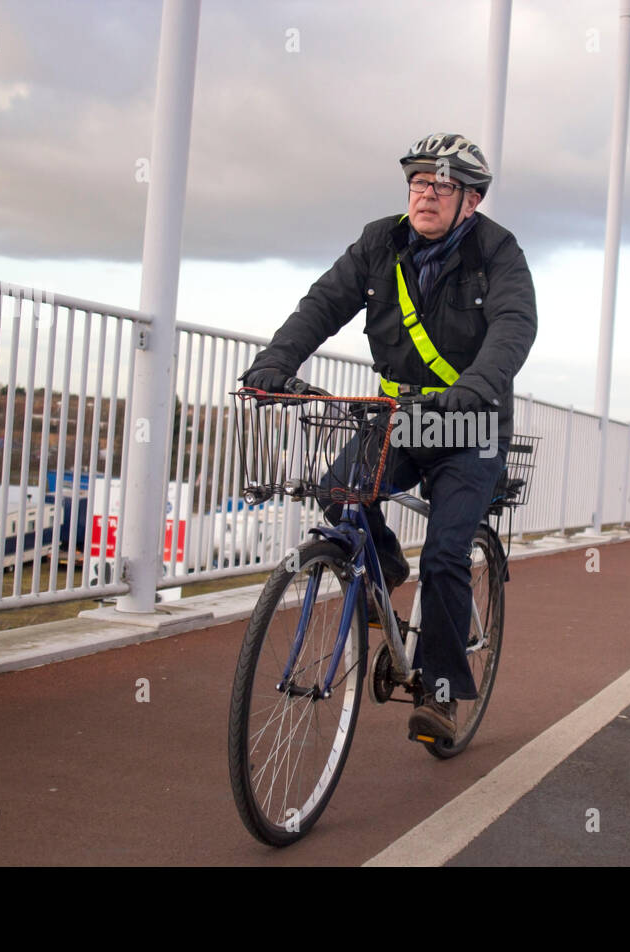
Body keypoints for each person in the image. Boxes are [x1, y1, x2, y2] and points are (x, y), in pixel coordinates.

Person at [240, 133, 537, 744]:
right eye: (419, 183)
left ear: (471, 201)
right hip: (403, 414)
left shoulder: (498, 252)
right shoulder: (381, 242)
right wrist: (275, 363)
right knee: (339, 492)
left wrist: (477, 386)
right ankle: (384, 564)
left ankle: (443, 693)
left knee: (448, 554)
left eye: (444, 186)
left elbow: (513, 325)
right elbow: (322, 305)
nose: (426, 195)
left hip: (469, 421)